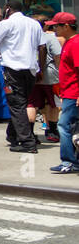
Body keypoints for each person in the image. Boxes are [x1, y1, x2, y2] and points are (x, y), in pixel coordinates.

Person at [0, 0, 46, 153]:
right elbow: (42, 47)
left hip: (13, 70)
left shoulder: (6, 24)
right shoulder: (33, 23)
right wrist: (41, 69)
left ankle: (27, 143)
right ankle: (12, 135)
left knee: (16, 105)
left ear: (8, 9)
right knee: (21, 103)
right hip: (31, 70)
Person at [50, 13, 79, 174]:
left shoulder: (75, 43)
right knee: (72, 127)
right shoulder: (69, 42)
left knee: (63, 125)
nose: (53, 28)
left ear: (66, 26)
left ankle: (69, 161)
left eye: (56, 25)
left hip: (73, 94)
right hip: (69, 92)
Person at [34, 13, 62, 143]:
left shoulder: (28, 38)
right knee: (53, 104)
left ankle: (30, 133)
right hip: (50, 76)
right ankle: (52, 130)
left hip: (32, 76)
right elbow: (57, 56)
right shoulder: (50, 38)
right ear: (44, 25)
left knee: (34, 104)